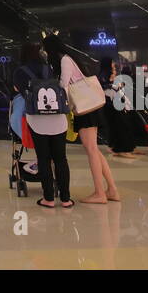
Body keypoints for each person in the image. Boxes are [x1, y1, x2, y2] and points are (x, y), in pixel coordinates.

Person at [46, 31, 118, 204]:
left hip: (85, 108)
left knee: (91, 149)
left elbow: (64, 84)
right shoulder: (71, 58)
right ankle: (112, 189)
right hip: (89, 107)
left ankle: (100, 193)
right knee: (94, 149)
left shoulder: (64, 60)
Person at [14, 41, 72, 209]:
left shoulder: (20, 71)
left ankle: (48, 198)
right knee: (61, 159)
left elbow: (18, 90)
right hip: (58, 119)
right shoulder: (49, 67)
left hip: (37, 120)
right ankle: (66, 198)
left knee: (44, 159)